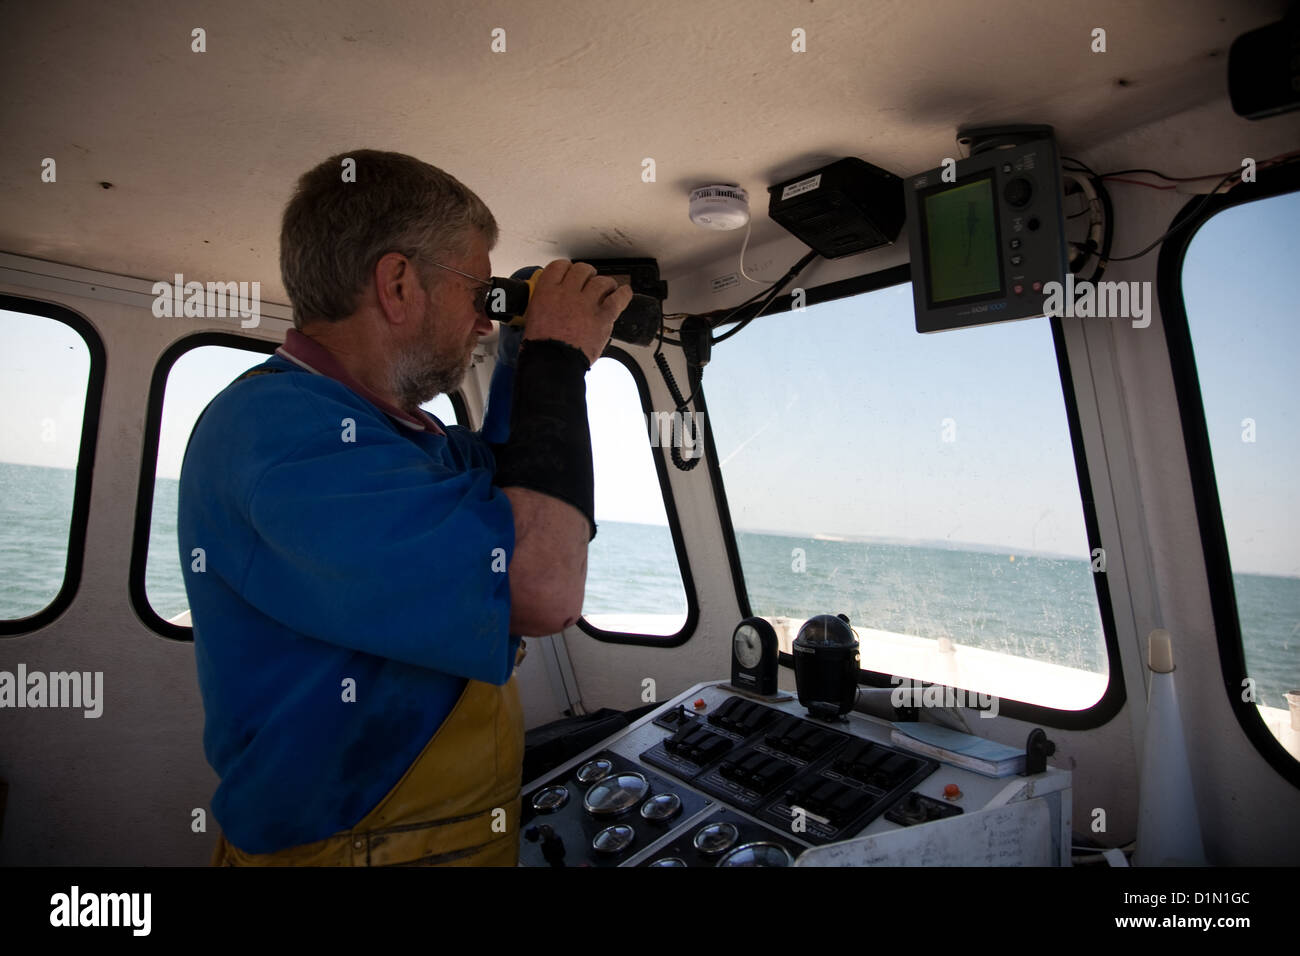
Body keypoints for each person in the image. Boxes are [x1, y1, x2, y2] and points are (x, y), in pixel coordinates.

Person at [177, 149, 631, 866]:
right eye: (478, 294)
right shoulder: (276, 431)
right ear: (396, 284)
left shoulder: (409, 441)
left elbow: (519, 495)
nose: (485, 323)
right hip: (347, 852)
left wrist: (524, 353)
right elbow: (540, 585)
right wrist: (559, 358)